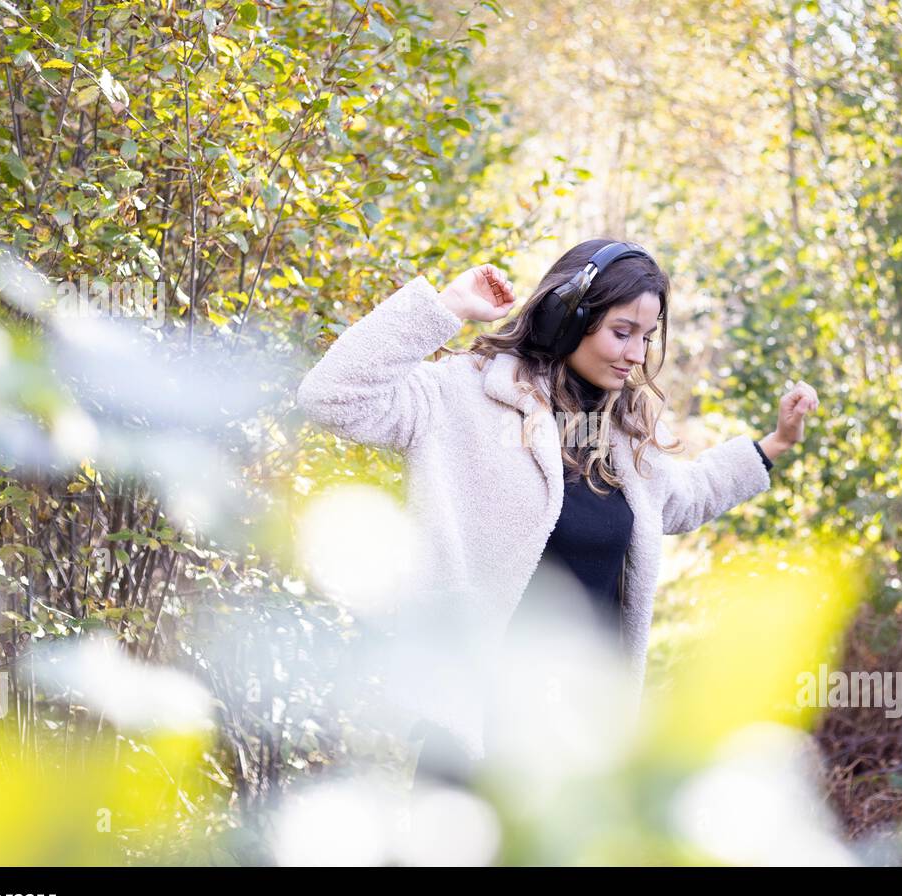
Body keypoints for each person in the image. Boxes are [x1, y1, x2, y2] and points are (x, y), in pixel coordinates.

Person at [295, 238, 818, 788]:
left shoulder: (624, 429)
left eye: (647, 336)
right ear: (566, 316)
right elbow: (333, 397)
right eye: (622, 332)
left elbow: (683, 499)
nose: (637, 354)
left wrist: (775, 444)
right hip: (476, 739)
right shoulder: (462, 397)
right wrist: (447, 305)